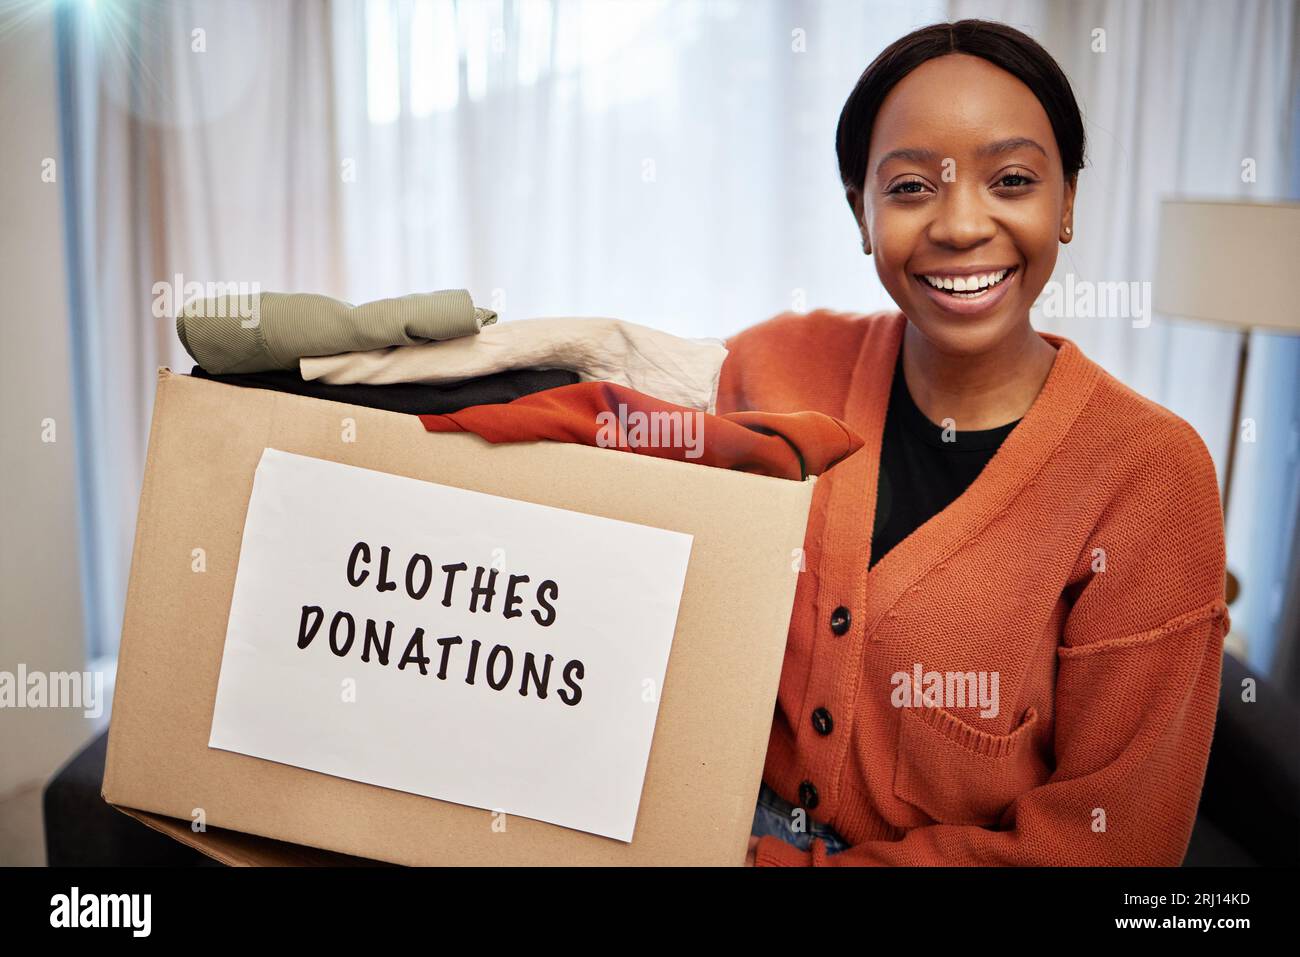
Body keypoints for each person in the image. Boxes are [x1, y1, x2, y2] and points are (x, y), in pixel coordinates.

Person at [724, 19, 1230, 866]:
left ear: (1066, 204)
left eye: (1013, 179)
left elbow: (1114, 844)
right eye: (912, 187)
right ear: (862, 213)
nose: (961, 225)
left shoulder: (1151, 478)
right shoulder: (771, 365)